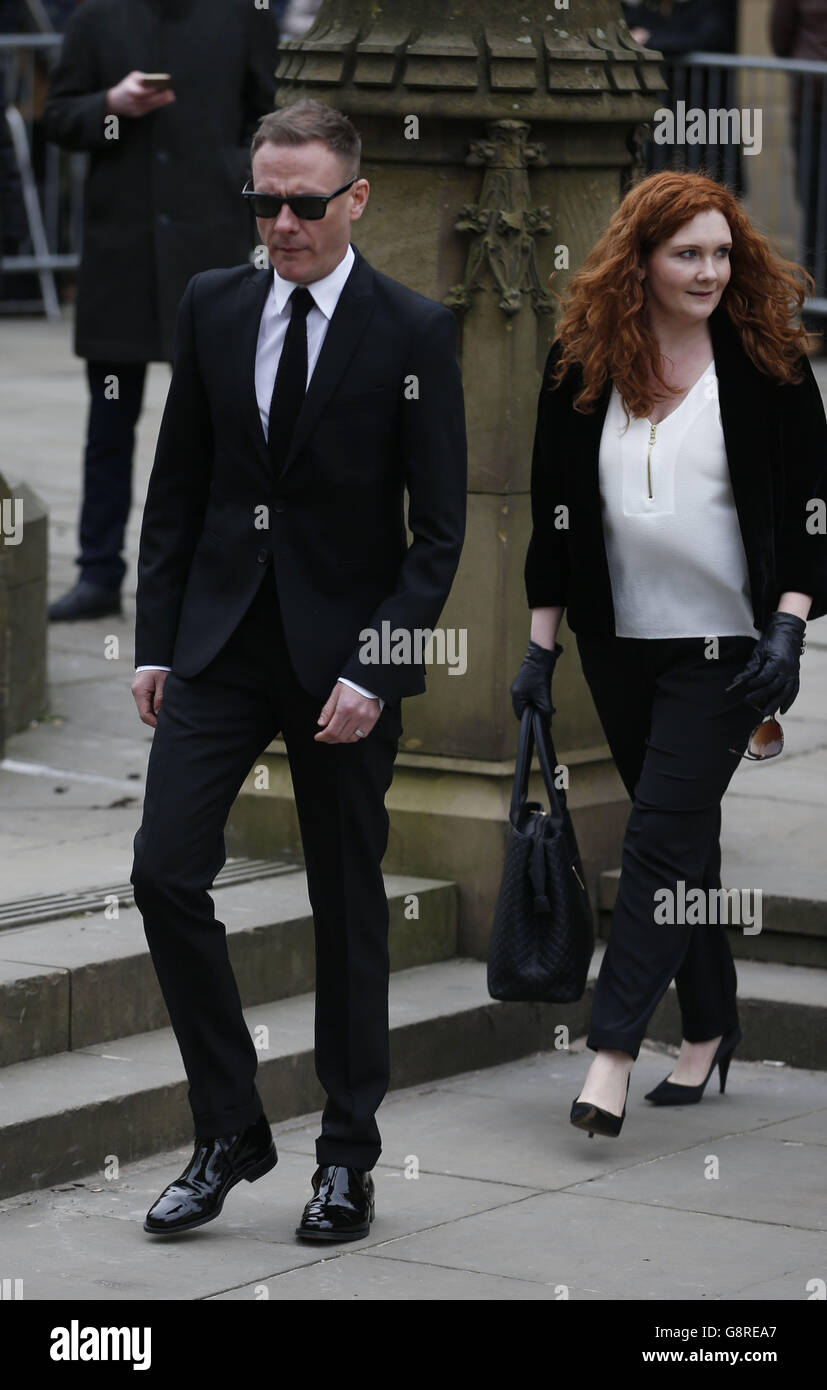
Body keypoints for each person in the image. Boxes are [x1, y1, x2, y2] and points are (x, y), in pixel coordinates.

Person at [129, 100, 467, 1240]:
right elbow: (177, 489)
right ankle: (229, 1124)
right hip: (220, 648)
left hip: (344, 670)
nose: (279, 222)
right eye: (264, 201)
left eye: (302, 203)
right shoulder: (214, 305)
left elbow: (439, 537)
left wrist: (378, 667)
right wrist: (157, 639)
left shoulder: (414, 330)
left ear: (354, 200)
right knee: (165, 870)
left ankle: (346, 1158)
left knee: (346, 909)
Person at [511, 170, 827, 1138]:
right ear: (638, 260)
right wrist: (537, 654)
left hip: (726, 650)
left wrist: (786, 624)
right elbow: (552, 523)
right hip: (616, 642)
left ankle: (608, 1050)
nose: (706, 270)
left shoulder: (765, 361)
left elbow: (813, 514)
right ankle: (710, 1027)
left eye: (720, 253)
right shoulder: (579, 363)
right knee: (678, 834)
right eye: (684, 253)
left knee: (654, 837)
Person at [42, 0, 279, 620]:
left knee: (217, 425)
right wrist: (109, 106)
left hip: (212, 250)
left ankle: (215, 573)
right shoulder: (95, 19)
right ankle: (98, 572)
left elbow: (268, 116)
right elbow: (59, 118)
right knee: (109, 425)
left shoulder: (242, 17)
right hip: (122, 254)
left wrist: (234, 171)